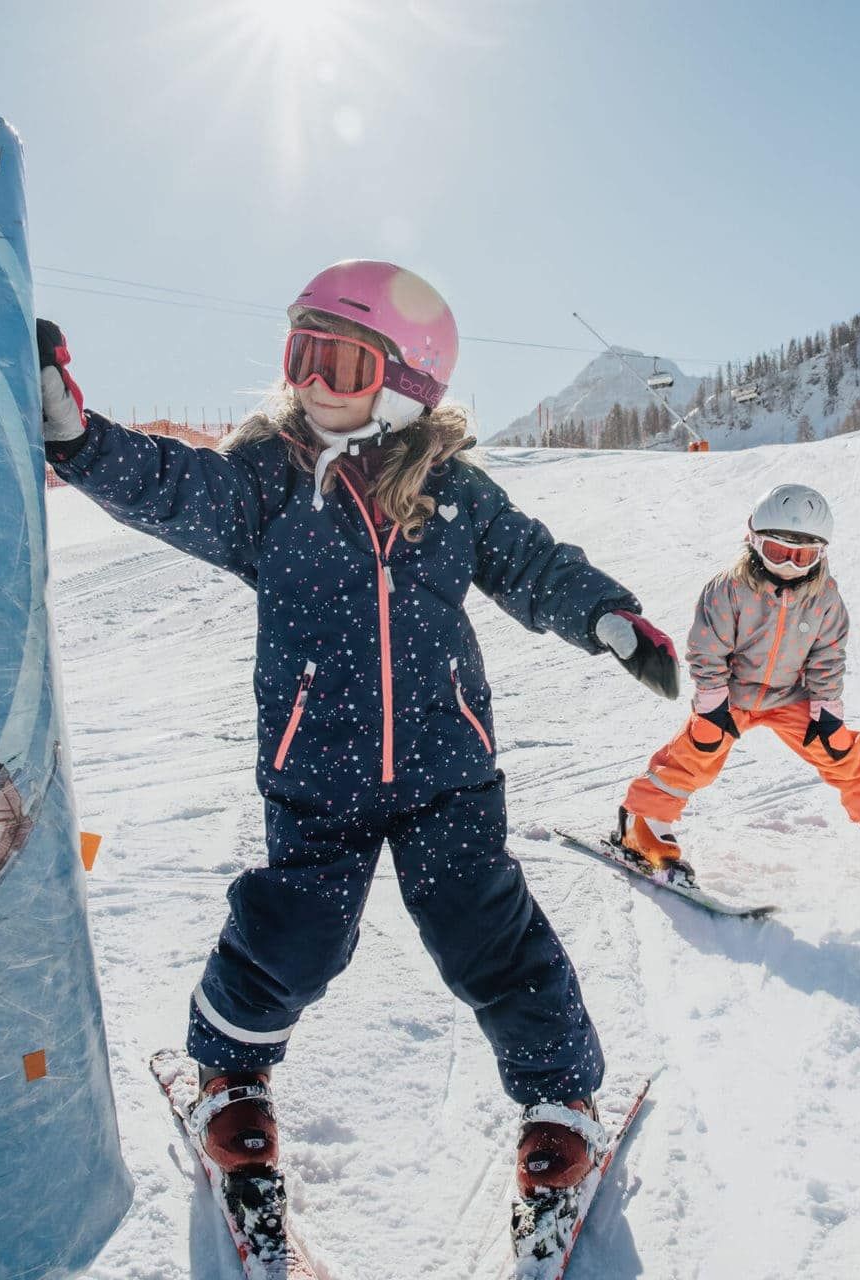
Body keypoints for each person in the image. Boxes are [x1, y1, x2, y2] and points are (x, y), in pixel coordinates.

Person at [36, 261, 678, 1198]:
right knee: (295, 933)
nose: (308, 381)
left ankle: (560, 1100)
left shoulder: (454, 492)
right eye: (299, 354)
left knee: (486, 933)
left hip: (446, 769)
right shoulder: (267, 482)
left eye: (336, 363)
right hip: (316, 770)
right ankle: (230, 1072)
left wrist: (607, 616)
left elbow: (530, 562)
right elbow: (180, 489)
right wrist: (81, 442)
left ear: (409, 383)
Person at [615, 483, 860, 888]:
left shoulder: (825, 598)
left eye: (804, 556)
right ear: (754, 542)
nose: (790, 567)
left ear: (821, 554)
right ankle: (643, 822)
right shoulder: (729, 589)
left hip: (789, 696)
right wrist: (712, 703)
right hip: (733, 695)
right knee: (697, 751)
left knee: (841, 750)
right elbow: (707, 647)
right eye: (778, 553)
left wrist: (827, 710)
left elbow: (828, 655)